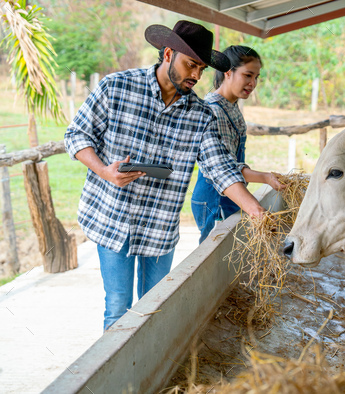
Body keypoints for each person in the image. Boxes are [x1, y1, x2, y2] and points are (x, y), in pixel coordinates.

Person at [64, 21, 265, 331]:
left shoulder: (201, 115)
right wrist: (104, 171)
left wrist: (254, 209)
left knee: (155, 309)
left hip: (160, 227)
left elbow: (220, 167)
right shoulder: (116, 87)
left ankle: (147, 377)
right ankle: (119, 380)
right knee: (118, 307)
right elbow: (77, 135)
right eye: (191, 65)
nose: (196, 76)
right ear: (168, 54)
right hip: (112, 219)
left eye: (201, 68)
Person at [191, 45, 285, 243]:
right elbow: (227, 167)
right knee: (215, 254)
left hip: (230, 192)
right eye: (248, 75)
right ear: (228, 73)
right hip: (215, 197)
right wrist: (265, 177)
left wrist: (266, 177)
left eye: (256, 77)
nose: (253, 83)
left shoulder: (231, 106)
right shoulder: (213, 111)